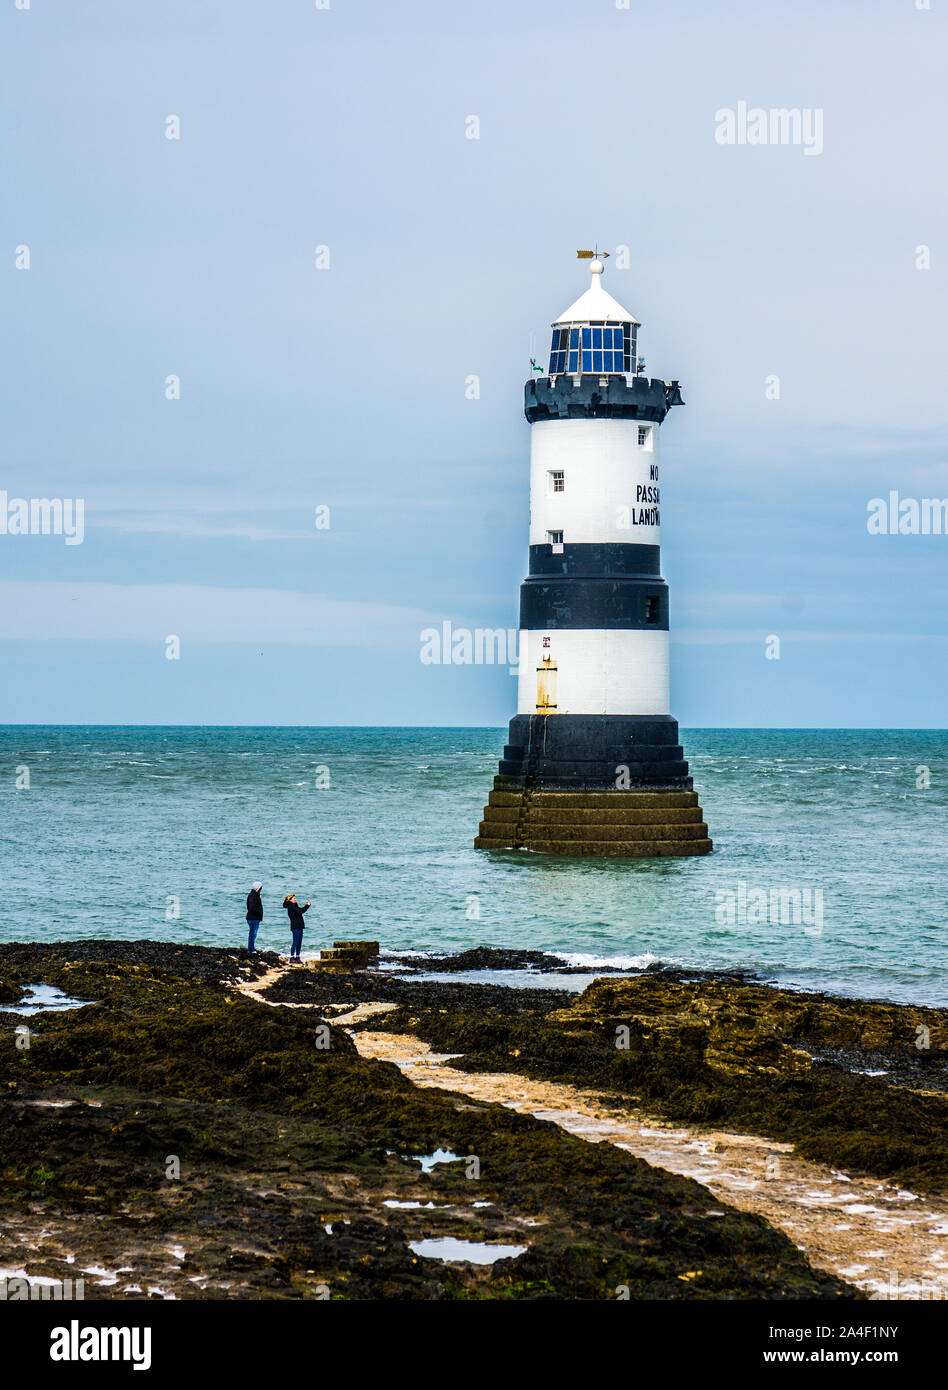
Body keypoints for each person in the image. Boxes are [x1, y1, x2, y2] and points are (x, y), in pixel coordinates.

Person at [283, 893, 310, 963]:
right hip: (295, 927)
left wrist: (307, 905)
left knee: (299, 942)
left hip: (299, 926)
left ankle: (297, 956)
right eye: (294, 898)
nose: (295, 899)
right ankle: (292, 957)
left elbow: (300, 910)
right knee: (295, 942)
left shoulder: (295, 905)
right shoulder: (291, 907)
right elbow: (301, 911)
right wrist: (307, 905)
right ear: (290, 900)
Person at [246, 882, 264, 954]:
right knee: (253, 933)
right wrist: (258, 913)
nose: (261, 890)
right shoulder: (253, 896)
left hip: (254, 918)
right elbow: (251, 908)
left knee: (253, 933)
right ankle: (251, 949)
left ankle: (251, 947)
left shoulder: (255, 895)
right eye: (260, 888)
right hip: (253, 918)